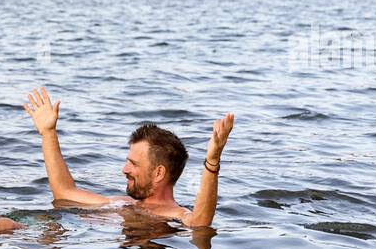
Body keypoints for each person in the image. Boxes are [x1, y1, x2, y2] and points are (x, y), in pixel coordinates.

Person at [23, 86, 233, 227]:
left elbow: (200, 221)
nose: (124, 169)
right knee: (0, 223)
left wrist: (212, 161)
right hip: (65, 234)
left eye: (133, 164)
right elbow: (64, 192)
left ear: (159, 173)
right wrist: (48, 133)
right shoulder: (120, 202)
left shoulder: (175, 215)